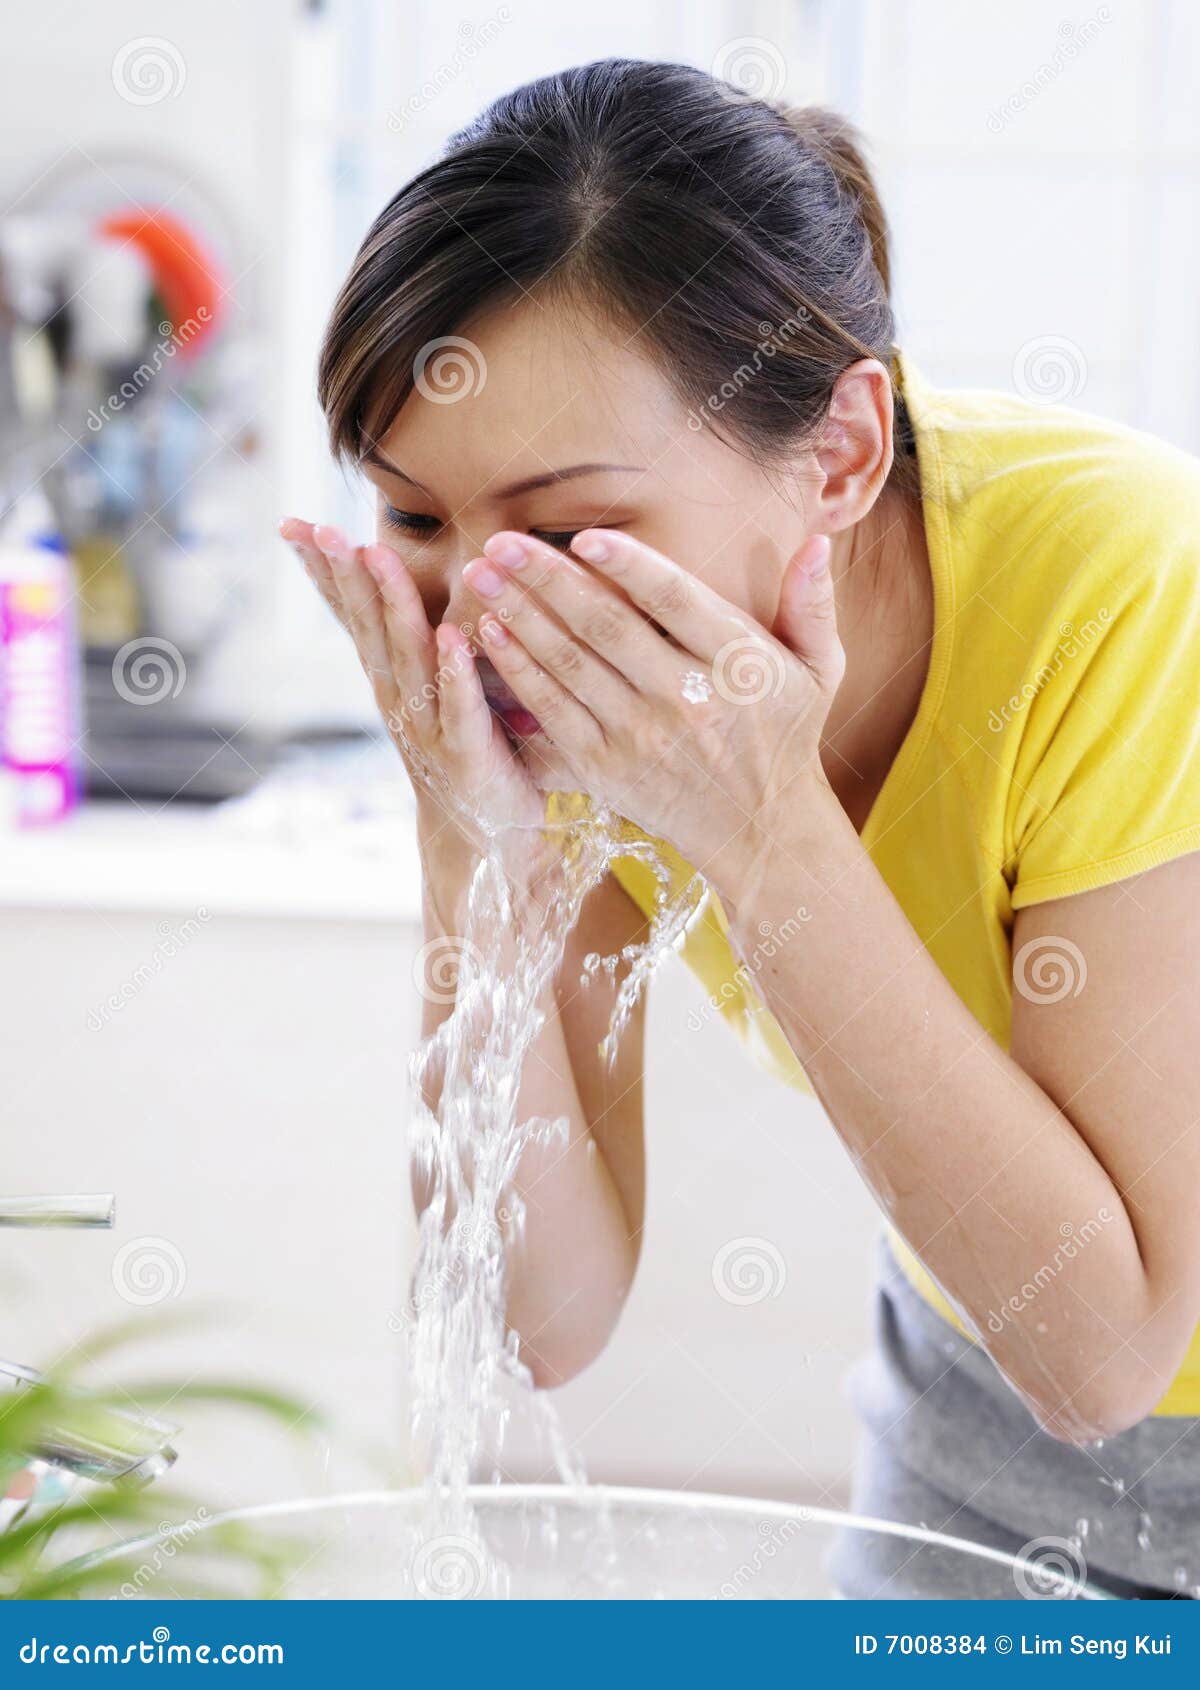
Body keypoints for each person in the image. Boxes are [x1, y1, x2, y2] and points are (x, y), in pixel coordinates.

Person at [282, 59, 1200, 1598]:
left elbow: (1106, 1346)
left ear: (839, 454)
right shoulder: (580, 694)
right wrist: (474, 852)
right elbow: (543, 1321)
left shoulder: (1125, 588)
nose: (491, 612)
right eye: (417, 520)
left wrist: (766, 825)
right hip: (972, 1440)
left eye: (568, 526)